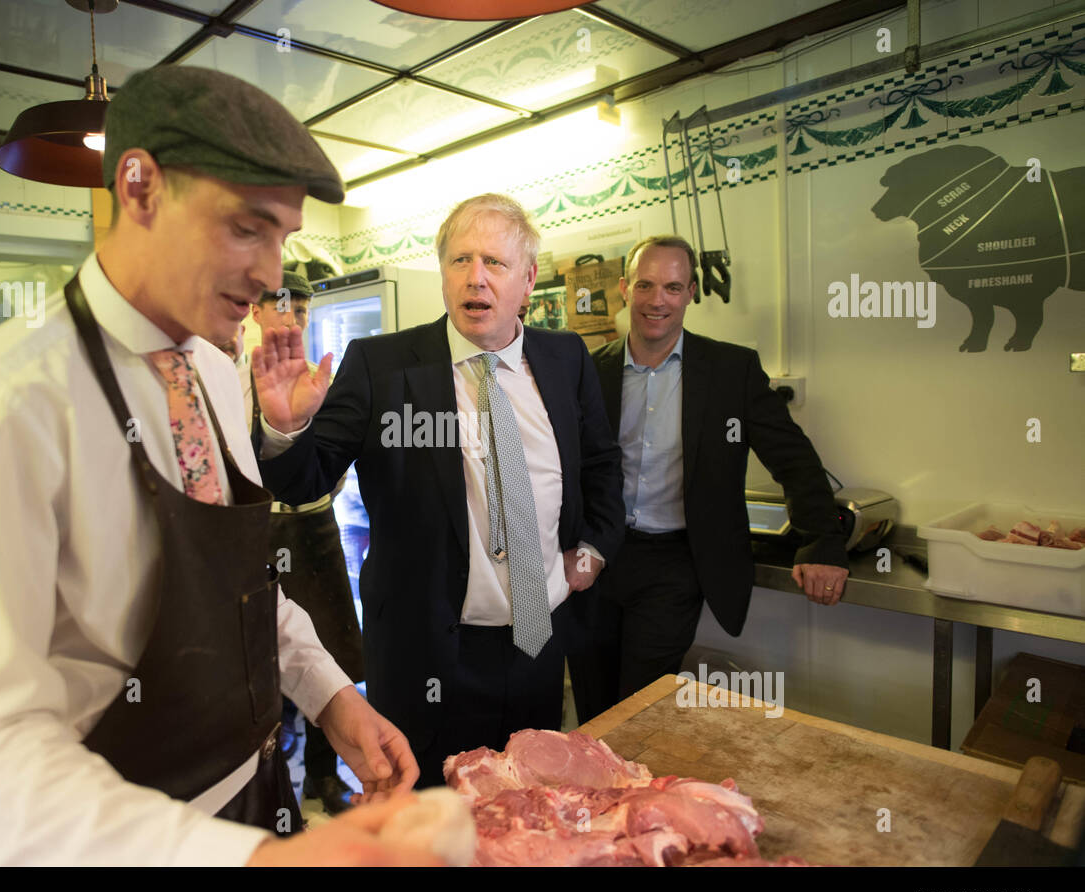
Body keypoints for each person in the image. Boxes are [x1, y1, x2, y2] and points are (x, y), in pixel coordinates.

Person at [0, 64, 434, 866]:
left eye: (282, 237)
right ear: (140, 186)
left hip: (263, 798)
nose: (272, 274)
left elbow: (242, 585)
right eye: (247, 227)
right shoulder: (0, 401)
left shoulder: (217, 374)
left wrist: (330, 699)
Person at [252, 193, 624, 787]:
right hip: (428, 653)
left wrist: (594, 551)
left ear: (527, 281)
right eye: (460, 261)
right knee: (426, 816)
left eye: (495, 264)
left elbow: (603, 464)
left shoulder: (565, 357)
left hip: (538, 641)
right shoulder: (381, 365)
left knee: (529, 809)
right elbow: (304, 480)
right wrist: (286, 428)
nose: (475, 278)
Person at [574, 235, 849, 722]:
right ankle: (595, 799)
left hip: (675, 563)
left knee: (636, 706)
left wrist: (822, 543)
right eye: (645, 285)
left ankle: (632, 794)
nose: (657, 300)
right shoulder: (589, 371)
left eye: (673, 287)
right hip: (596, 557)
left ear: (692, 293)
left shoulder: (730, 370)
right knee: (592, 698)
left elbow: (793, 458)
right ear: (624, 289)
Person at [236, 269, 366, 815]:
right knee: (265, 653)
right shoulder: (237, 378)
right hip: (264, 531)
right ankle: (272, 767)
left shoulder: (319, 379)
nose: (293, 319)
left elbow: (333, 466)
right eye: (283, 307)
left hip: (316, 528)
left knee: (331, 648)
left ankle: (322, 776)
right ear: (256, 312)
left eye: (303, 311)